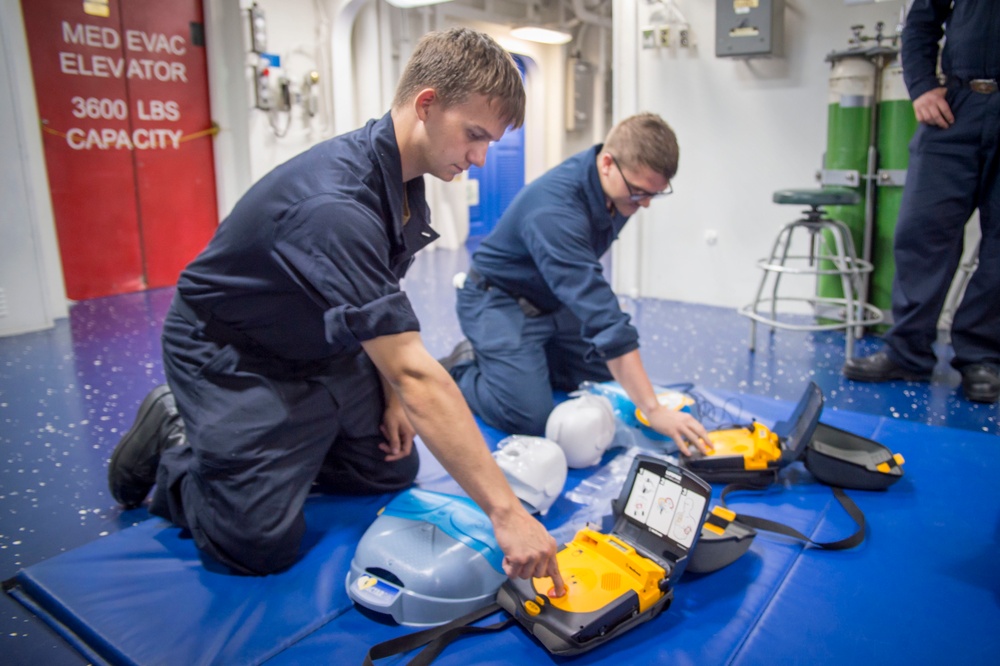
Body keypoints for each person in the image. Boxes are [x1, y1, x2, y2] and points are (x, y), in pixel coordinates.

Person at [107, 27, 565, 595]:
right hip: (234, 353)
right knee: (256, 544)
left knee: (390, 467)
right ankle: (178, 437)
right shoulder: (334, 205)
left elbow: (379, 307)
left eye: (490, 141)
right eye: (474, 135)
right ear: (426, 105)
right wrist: (507, 514)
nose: (479, 157)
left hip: (321, 341)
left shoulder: (401, 179)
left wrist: (390, 397)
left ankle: (276, 448)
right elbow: (416, 370)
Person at [445, 113, 712, 455]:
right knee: (528, 415)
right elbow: (602, 314)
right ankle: (462, 365)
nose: (644, 203)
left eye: (653, 195)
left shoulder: (618, 195)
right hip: (496, 299)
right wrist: (654, 410)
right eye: (639, 192)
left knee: (603, 384)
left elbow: (583, 287)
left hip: (552, 298)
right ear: (606, 164)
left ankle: (530, 360)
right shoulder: (555, 211)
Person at [842, 0, 999, 404]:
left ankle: (982, 356)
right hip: (957, 105)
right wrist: (923, 85)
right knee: (921, 231)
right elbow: (920, 24)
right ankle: (907, 352)